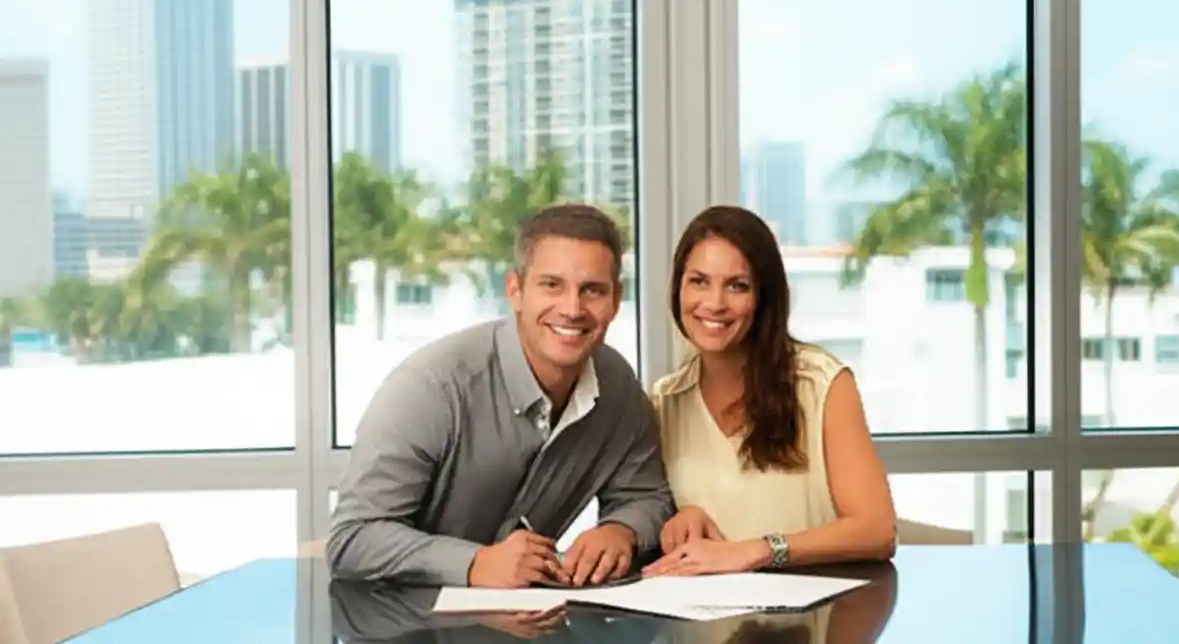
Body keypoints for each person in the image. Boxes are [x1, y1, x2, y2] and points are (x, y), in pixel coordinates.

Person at [327, 203, 674, 588]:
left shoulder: (616, 385)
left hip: (526, 613)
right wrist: (475, 563)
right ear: (515, 291)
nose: (572, 309)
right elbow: (352, 538)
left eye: (592, 290)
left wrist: (621, 529)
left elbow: (648, 496)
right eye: (552, 285)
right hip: (399, 613)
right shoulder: (432, 388)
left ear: (616, 300)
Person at [642, 205, 897, 578]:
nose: (714, 303)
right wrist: (682, 519)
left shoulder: (822, 383)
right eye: (698, 281)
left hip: (817, 610)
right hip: (707, 611)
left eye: (737, 286)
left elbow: (876, 531)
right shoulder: (664, 401)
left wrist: (756, 551)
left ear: (764, 296)